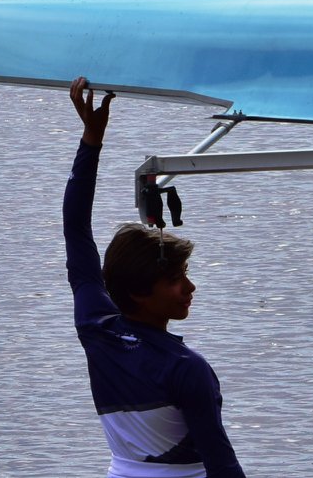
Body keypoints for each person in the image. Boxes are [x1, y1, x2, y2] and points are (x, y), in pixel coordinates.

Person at [64, 77, 245, 478]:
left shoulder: (96, 327)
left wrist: (90, 140)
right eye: (176, 280)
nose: (190, 288)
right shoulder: (185, 368)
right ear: (138, 293)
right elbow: (222, 464)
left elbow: (75, 229)